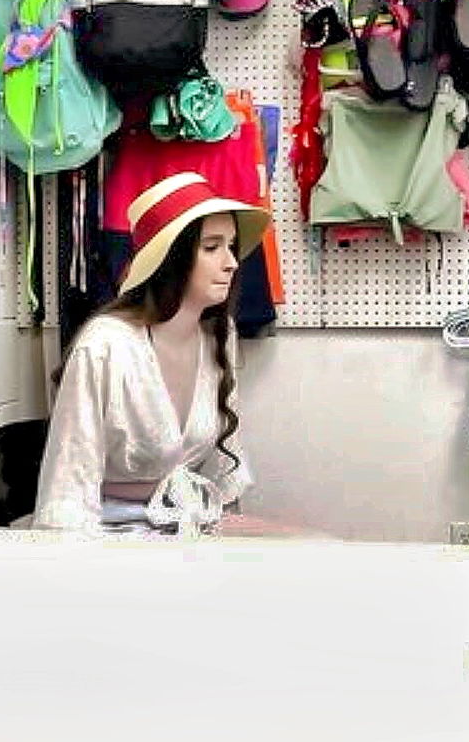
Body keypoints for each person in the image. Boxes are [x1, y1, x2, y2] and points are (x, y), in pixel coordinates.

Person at [31, 172, 291, 537]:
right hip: (111, 535)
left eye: (231, 246)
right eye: (212, 247)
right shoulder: (105, 347)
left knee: (316, 550)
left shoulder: (218, 335)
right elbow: (69, 483)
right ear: (171, 258)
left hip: (188, 527)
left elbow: (223, 470)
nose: (232, 262)